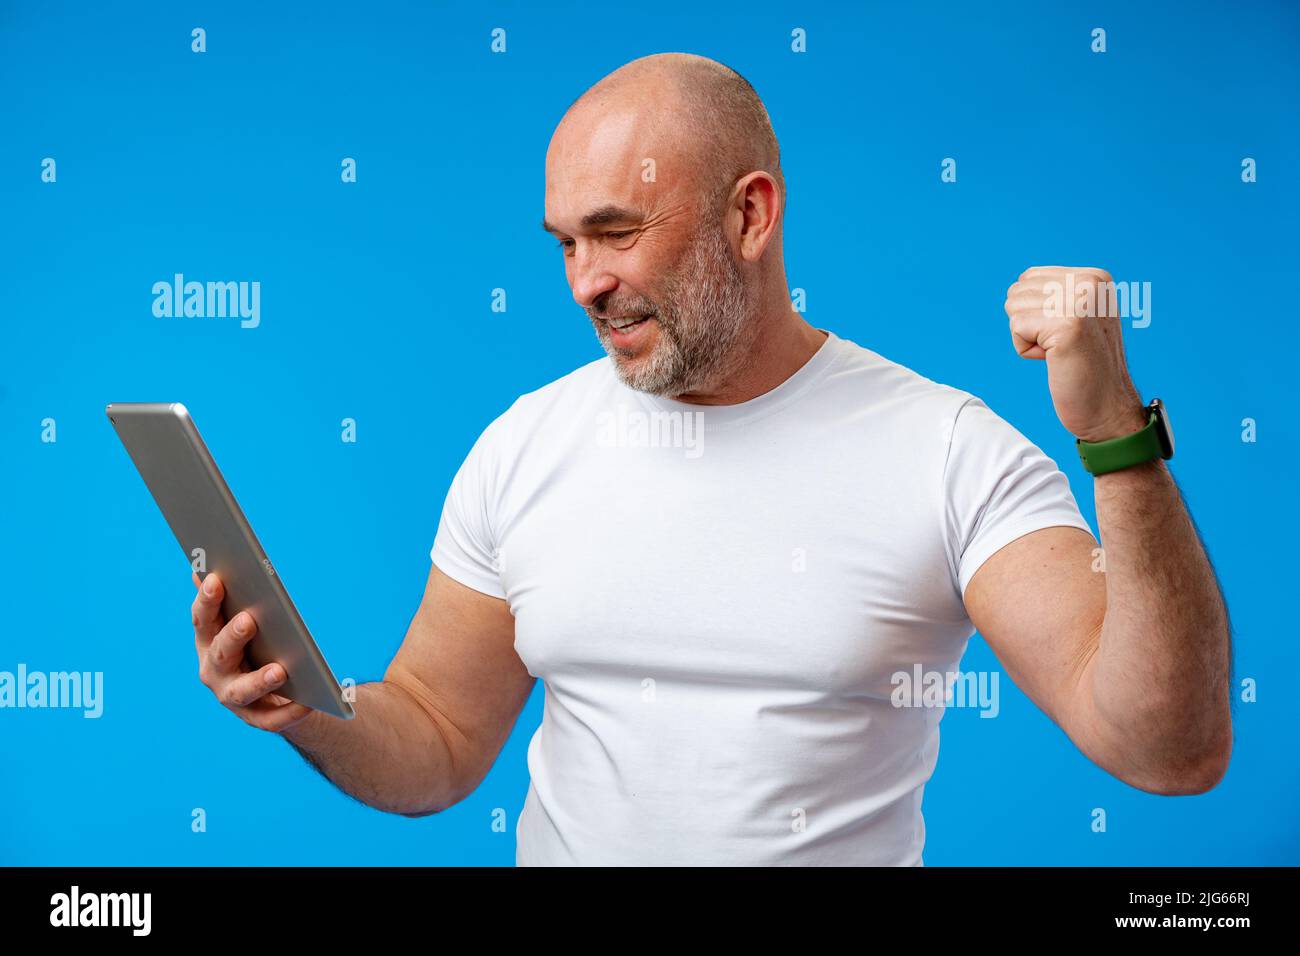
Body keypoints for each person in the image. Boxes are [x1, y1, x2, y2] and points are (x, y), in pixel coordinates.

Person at [189, 53, 1232, 865]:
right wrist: (305, 707)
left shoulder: (946, 451)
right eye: (564, 243)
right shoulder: (523, 445)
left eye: (615, 232)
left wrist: (1117, 444)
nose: (584, 283)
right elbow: (436, 736)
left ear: (750, 214)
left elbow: (1164, 745)